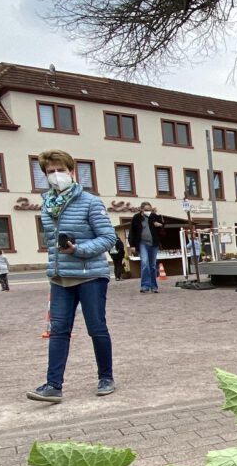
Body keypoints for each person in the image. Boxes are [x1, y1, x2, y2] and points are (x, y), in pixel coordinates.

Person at [28, 149, 117, 402]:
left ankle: (106, 377)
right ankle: (53, 385)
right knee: (58, 330)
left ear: (71, 171)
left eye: (61, 170)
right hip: (60, 277)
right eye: (51, 171)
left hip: (91, 275)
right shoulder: (47, 205)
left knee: (96, 328)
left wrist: (78, 249)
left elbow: (108, 238)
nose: (56, 175)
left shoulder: (90, 202)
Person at [127, 203, 164, 292]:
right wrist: (132, 245)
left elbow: (163, 224)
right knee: (145, 263)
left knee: (153, 265)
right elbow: (132, 231)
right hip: (142, 243)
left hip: (153, 243)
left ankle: (153, 286)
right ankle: (145, 285)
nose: (148, 211)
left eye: (149, 209)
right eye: (146, 209)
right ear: (141, 209)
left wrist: (160, 224)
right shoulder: (137, 217)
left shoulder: (154, 216)